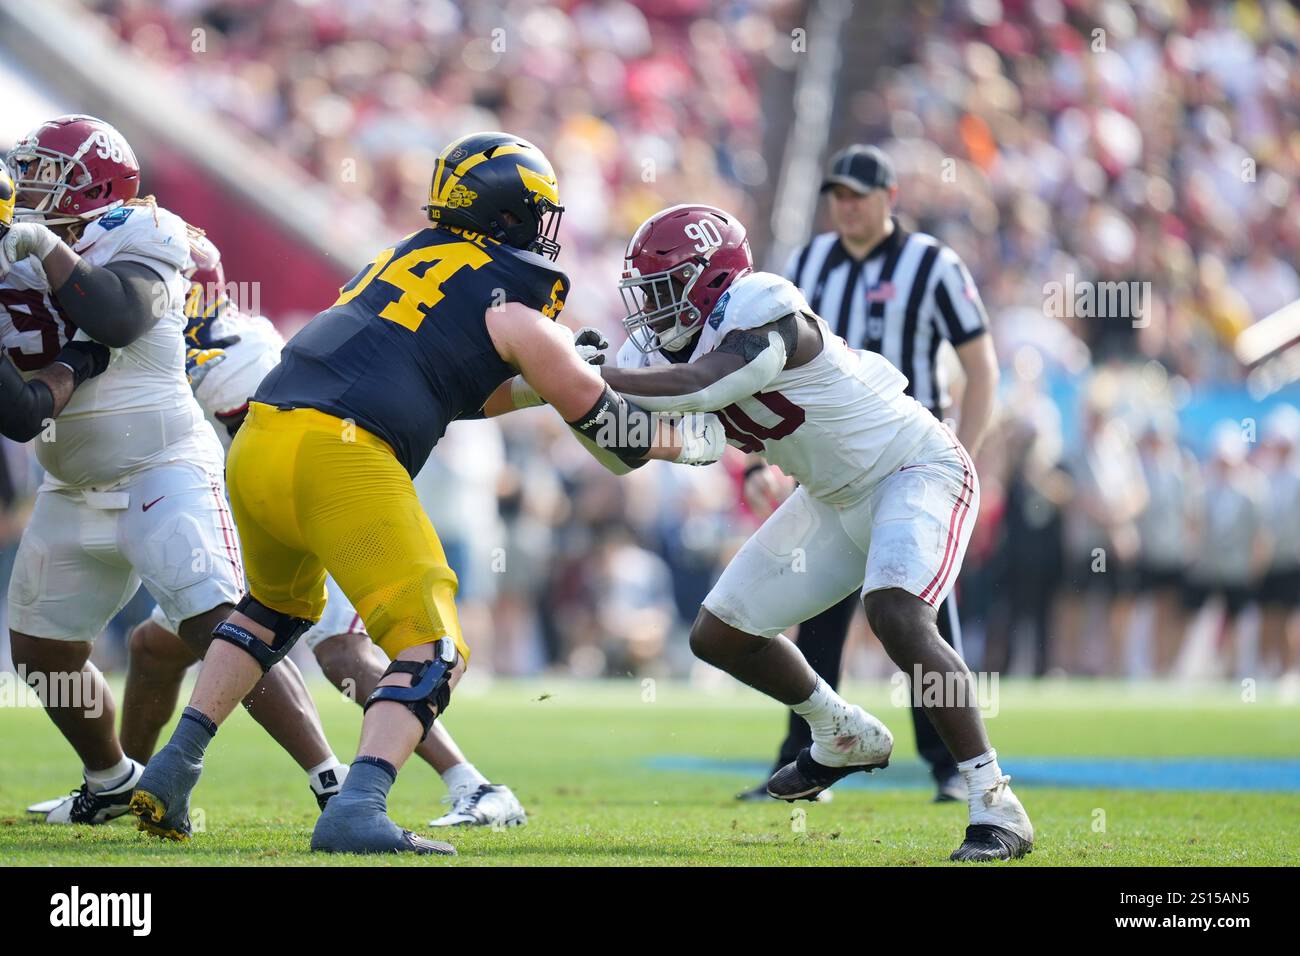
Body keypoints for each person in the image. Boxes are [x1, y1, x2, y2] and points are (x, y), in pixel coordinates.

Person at [130, 131, 725, 855]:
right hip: (341, 453)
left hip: (263, 433)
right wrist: (697, 440)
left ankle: (171, 768)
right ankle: (358, 809)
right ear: (511, 216)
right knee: (434, 648)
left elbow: (452, 387)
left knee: (271, 610)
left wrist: (545, 382)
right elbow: (622, 445)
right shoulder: (517, 299)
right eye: (536, 213)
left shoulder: (403, 255)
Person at [30, 236, 526, 828]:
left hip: (303, 504)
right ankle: (129, 788)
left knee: (340, 649)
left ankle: (467, 784)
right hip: (262, 508)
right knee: (153, 648)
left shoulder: (220, 350)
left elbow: (264, 444)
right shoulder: (187, 338)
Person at [598, 202, 1033, 861]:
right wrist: (569, 397)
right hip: (833, 497)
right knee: (721, 634)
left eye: (663, 290)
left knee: (895, 611)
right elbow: (655, 443)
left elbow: (704, 385)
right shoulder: (655, 351)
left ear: (710, 280)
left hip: (914, 467)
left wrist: (590, 378)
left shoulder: (764, 307)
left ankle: (995, 800)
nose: (650, 310)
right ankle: (840, 732)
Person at [0, 114, 343, 825]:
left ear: (94, 182)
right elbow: (19, 410)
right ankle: (112, 779)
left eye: (44, 174)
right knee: (39, 648)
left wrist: (42, 250)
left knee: (217, 624)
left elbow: (119, 317)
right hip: (69, 481)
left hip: (162, 465)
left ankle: (332, 781)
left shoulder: (147, 231)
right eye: (23, 172)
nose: (27, 187)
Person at [739, 144, 1000, 802]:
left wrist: (960, 455)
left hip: (910, 463)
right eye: (837, 194)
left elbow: (982, 367)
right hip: (829, 467)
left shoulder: (933, 264)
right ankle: (807, 758)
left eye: (858, 194)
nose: (845, 206)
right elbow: (765, 373)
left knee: (913, 620)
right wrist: (767, 463)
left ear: (889, 196)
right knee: (816, 617)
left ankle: (953, 769)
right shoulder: (807, 265)